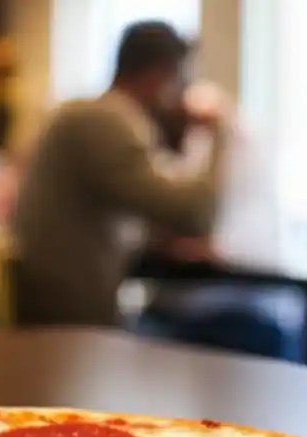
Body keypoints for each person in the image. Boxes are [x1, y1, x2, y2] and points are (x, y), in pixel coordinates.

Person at [12, 21, 232, 326]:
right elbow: (195, 214)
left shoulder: (90, 115)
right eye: (182, 81)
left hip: (61, 310)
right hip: (70, 322)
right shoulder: (103, 121)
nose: (184, 96)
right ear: (160, 75)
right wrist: (221, 135)